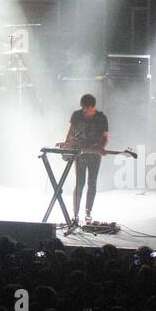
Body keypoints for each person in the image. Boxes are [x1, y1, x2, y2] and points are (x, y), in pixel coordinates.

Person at [58, 93, 109, 228]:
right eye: (83, 108)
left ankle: (88, 212)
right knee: (79, 183)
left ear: (93, 107)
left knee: (92, 183)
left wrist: (100, 147)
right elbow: (70, 132)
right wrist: (66, 144)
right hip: (80, 153)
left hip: (94, 154)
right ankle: (75, 213)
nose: (84, 110)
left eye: (86, 108)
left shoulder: (101, 118)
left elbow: (105, 136)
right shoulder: (77, 115)